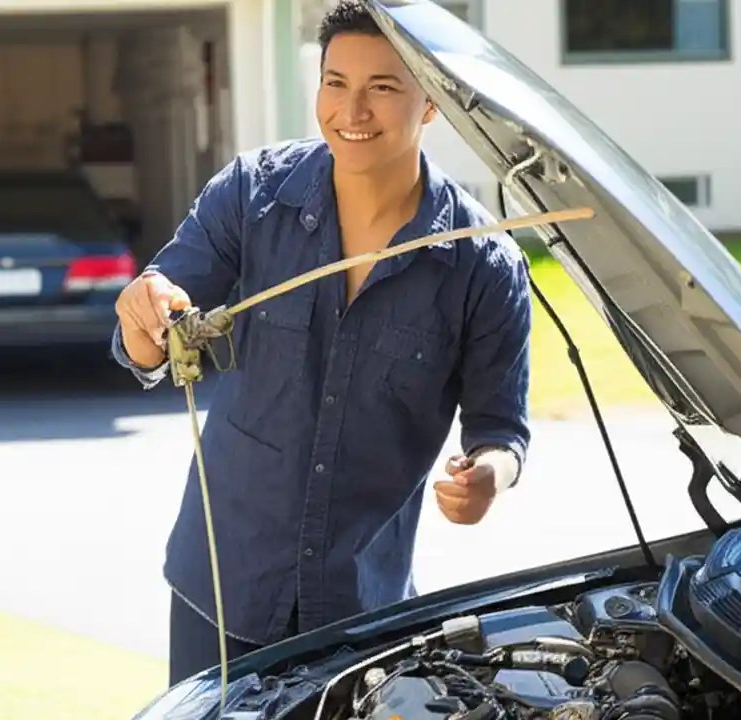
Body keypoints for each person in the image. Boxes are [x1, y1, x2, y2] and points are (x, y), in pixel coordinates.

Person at [111, 0, 532, 686]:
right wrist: (144, 311)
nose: (351, 110)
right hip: (222, 584)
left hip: (362, 610)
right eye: (336, 82)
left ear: (431, 103)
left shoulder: (482, 263)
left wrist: (487, 477)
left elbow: (501, 432)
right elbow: (149, 334)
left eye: (383, 88)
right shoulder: (251, 196)